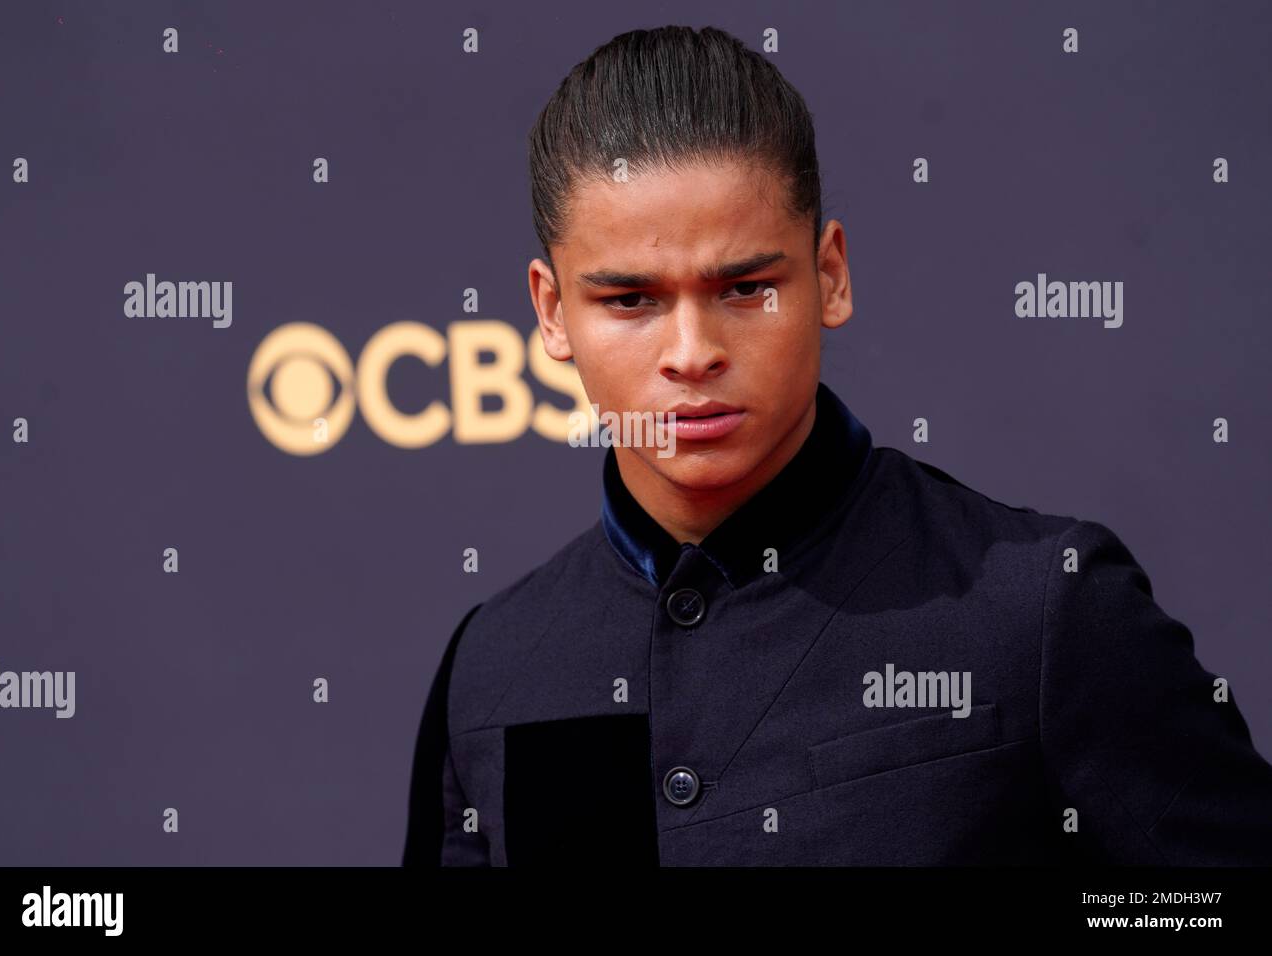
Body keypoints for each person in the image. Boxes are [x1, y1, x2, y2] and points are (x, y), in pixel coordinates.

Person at [403, 25, 1272, 865]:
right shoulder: (494, 665)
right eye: (630, 300)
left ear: (829, 276)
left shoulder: (1048, 607)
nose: (691, 353)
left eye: (745, 288)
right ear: (552, 313)